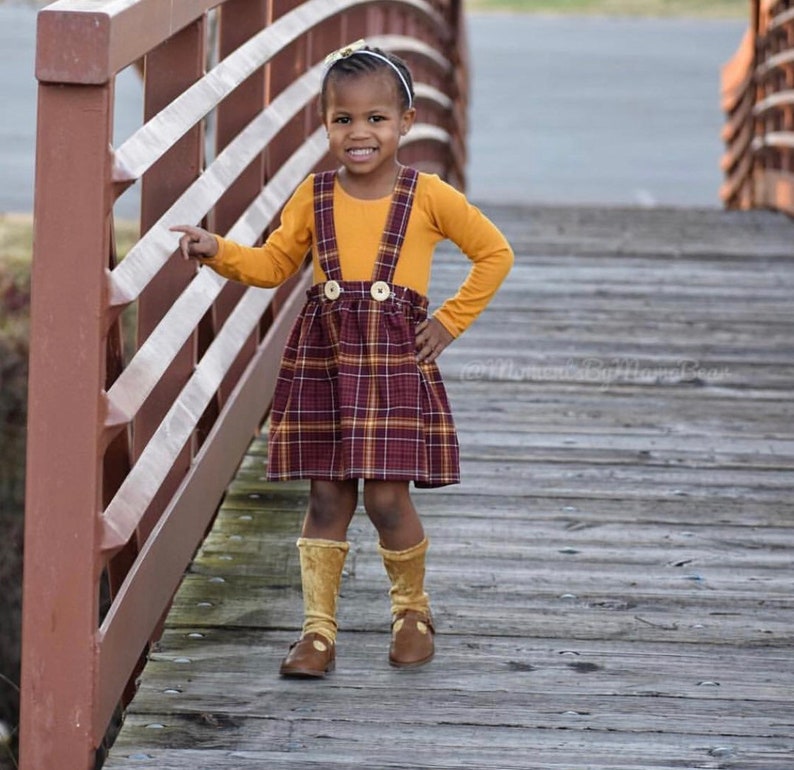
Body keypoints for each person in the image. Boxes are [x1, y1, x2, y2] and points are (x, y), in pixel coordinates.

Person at [172, 41, 513, 679]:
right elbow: (274, 265)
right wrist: (217, 248)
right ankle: (318, 632)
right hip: (326, 364)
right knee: (327, 498)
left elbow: (495, 254)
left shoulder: (428, 195)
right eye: (343, 119)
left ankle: (411, 611)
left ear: (406, 122)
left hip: (392, 367)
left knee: (386, 500)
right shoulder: (314, 194)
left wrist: (448, 322)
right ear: (326, 124)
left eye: (377, 119)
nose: (360, 133)